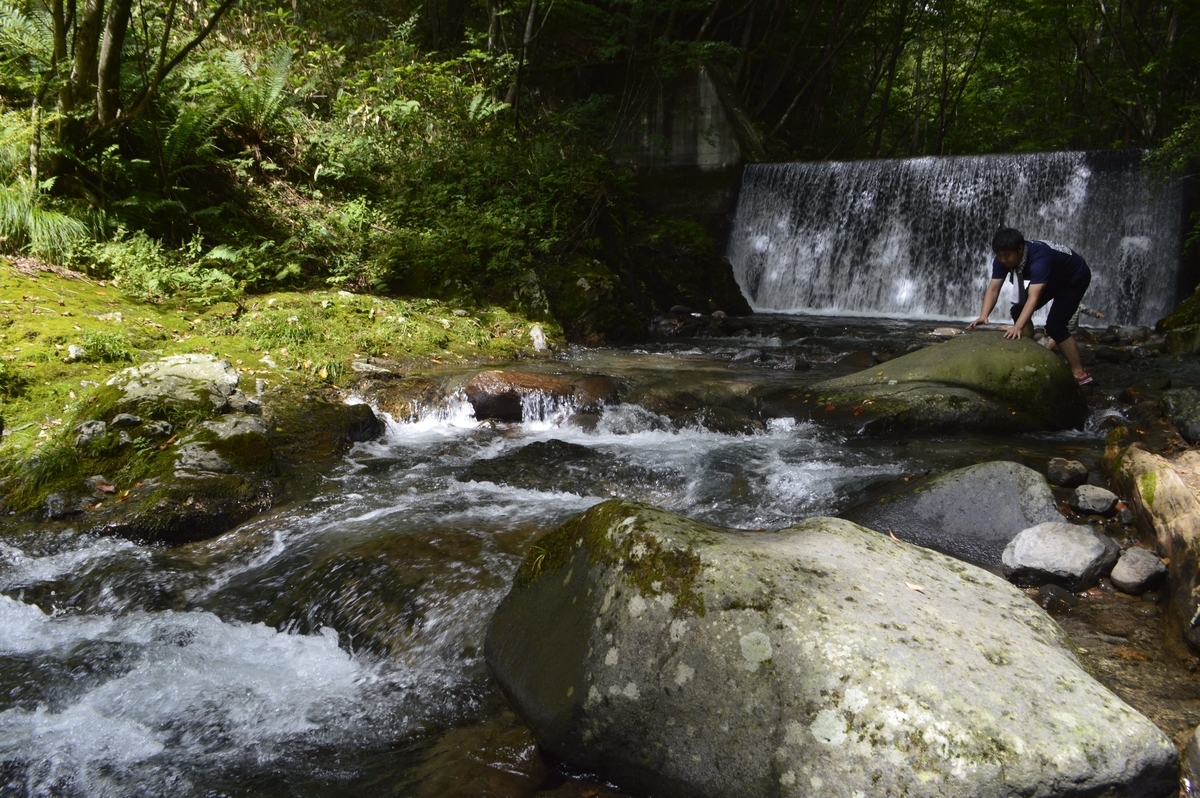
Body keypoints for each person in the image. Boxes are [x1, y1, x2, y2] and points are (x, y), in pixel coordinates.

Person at [966, 227, 1094, 385]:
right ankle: (1029, 351)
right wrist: (984, 315)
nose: (1003, 260)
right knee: (1017, 310)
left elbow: (1034, 297)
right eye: (999, 256)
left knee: (1055, 326)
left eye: (1007, 256)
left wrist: (1017, 326)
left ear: (1020, 249)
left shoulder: (1039, 259)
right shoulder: (1001, 260)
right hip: (1052, 276)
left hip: (1074, 277)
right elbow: (993, 289)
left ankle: (1080, 374)